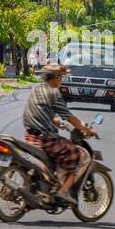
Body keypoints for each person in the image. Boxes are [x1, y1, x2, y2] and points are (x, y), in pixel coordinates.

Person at [22, 64, 96, 203]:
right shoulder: (54, 93)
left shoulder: (36, 89)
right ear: (54, 78)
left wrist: (60, 124)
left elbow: (47, 114)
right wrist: (87, 130)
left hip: (30, 137)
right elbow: (70, 117)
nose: (61, 80)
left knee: (64, 148)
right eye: (60, 77)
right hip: (46, 140)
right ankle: (63, 191)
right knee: (79, 154)